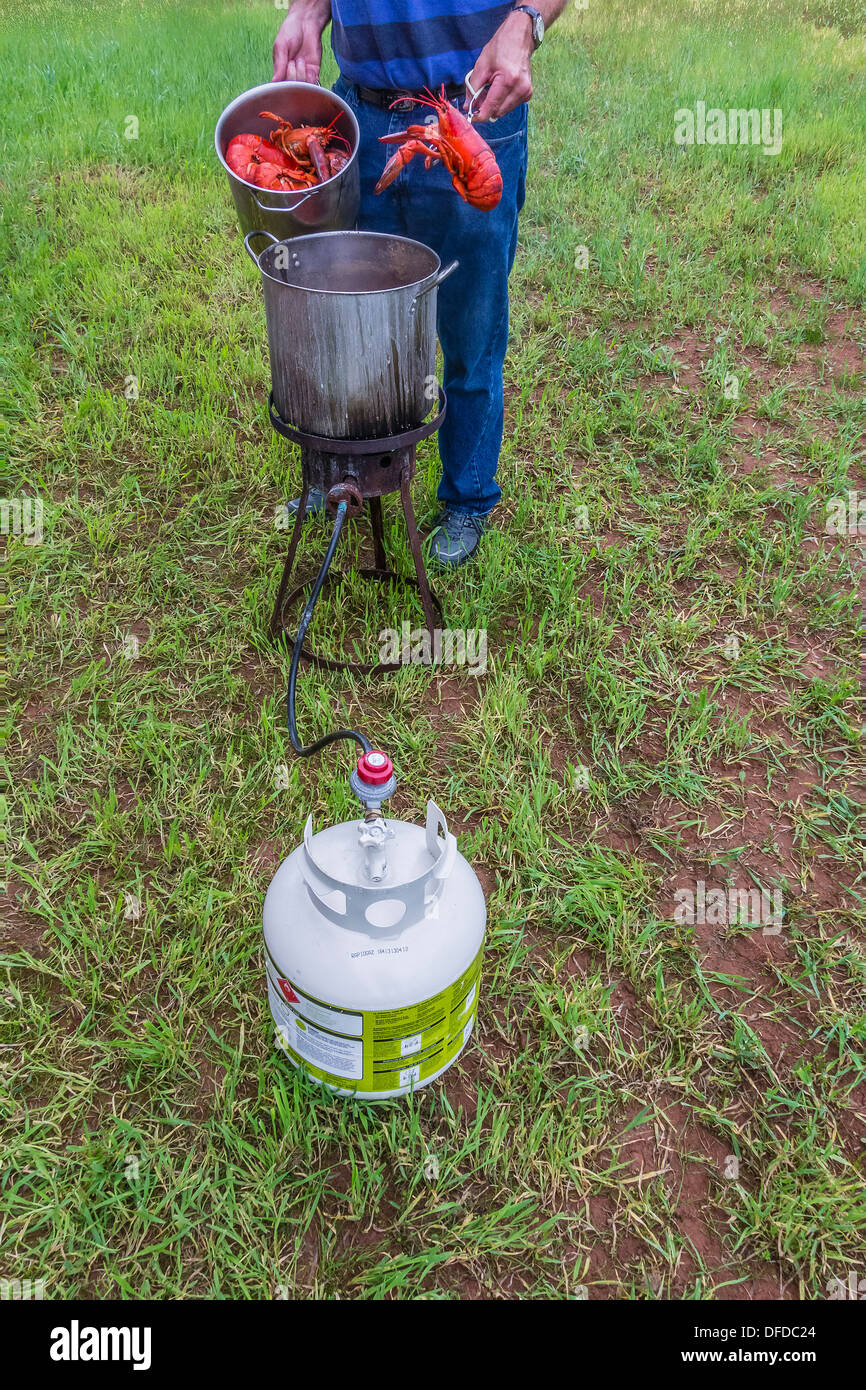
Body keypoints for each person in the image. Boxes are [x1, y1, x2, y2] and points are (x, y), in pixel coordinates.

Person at [274, 0, 567, 566]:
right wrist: (308, 12)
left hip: (475, 111)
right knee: (347, 320)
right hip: (356, 112)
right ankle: (345, 472)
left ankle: (467, 498)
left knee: (471, 329)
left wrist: (525, 20)